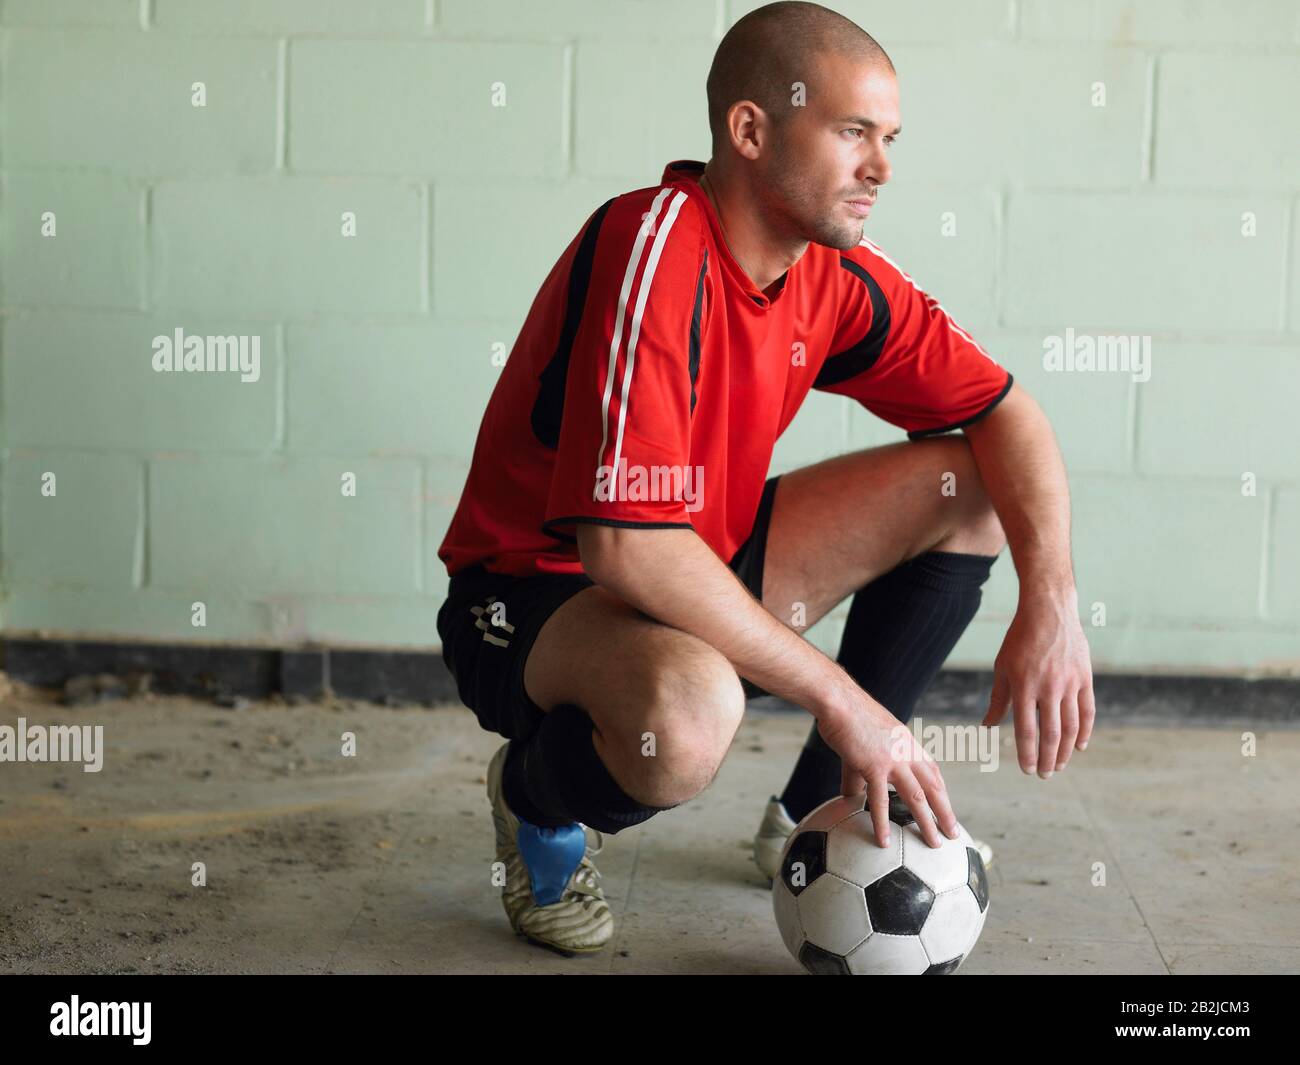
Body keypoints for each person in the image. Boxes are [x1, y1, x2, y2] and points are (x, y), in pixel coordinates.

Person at [435, 0, 1095, 956]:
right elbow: (620, 545)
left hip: (698, 558)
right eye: (852, 133)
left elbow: (1006, 411)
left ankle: (809, 818)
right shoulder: (654, 245)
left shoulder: (831, 271)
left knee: (971, 484)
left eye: (890, 138)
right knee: (693, 714)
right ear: (752, 129)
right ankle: (531, 799)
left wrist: (1055, 602)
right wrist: (847, 698)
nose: (882, 167)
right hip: (536, 595)